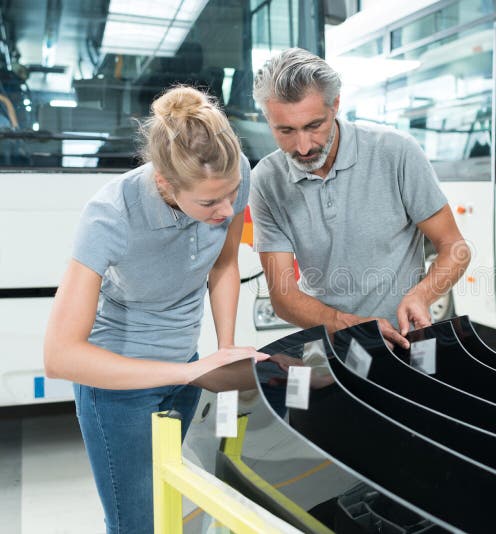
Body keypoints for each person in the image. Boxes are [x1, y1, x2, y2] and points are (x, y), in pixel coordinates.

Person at [43, 86, 264, 534]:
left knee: (172, 510)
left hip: (186, 369)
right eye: (208, 203)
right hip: (119, 388)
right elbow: (60, 356)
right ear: (164, 182)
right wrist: (192, 373)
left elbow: (224, 263)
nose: (226, 211)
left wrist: (223, 354)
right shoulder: (109, 214)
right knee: (137, 524)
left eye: (232, 195)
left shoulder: (232, 172)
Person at [249, 48, 470, 348]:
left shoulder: (396, 152)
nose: (302, 147)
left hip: (406, 341)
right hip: (326, 347)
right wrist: (353, 326)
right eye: (285, 130)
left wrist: (422, 295)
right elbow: (284, 297)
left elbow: (455, 247)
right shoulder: (266, 180)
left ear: (335, 105)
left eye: (314, 126)